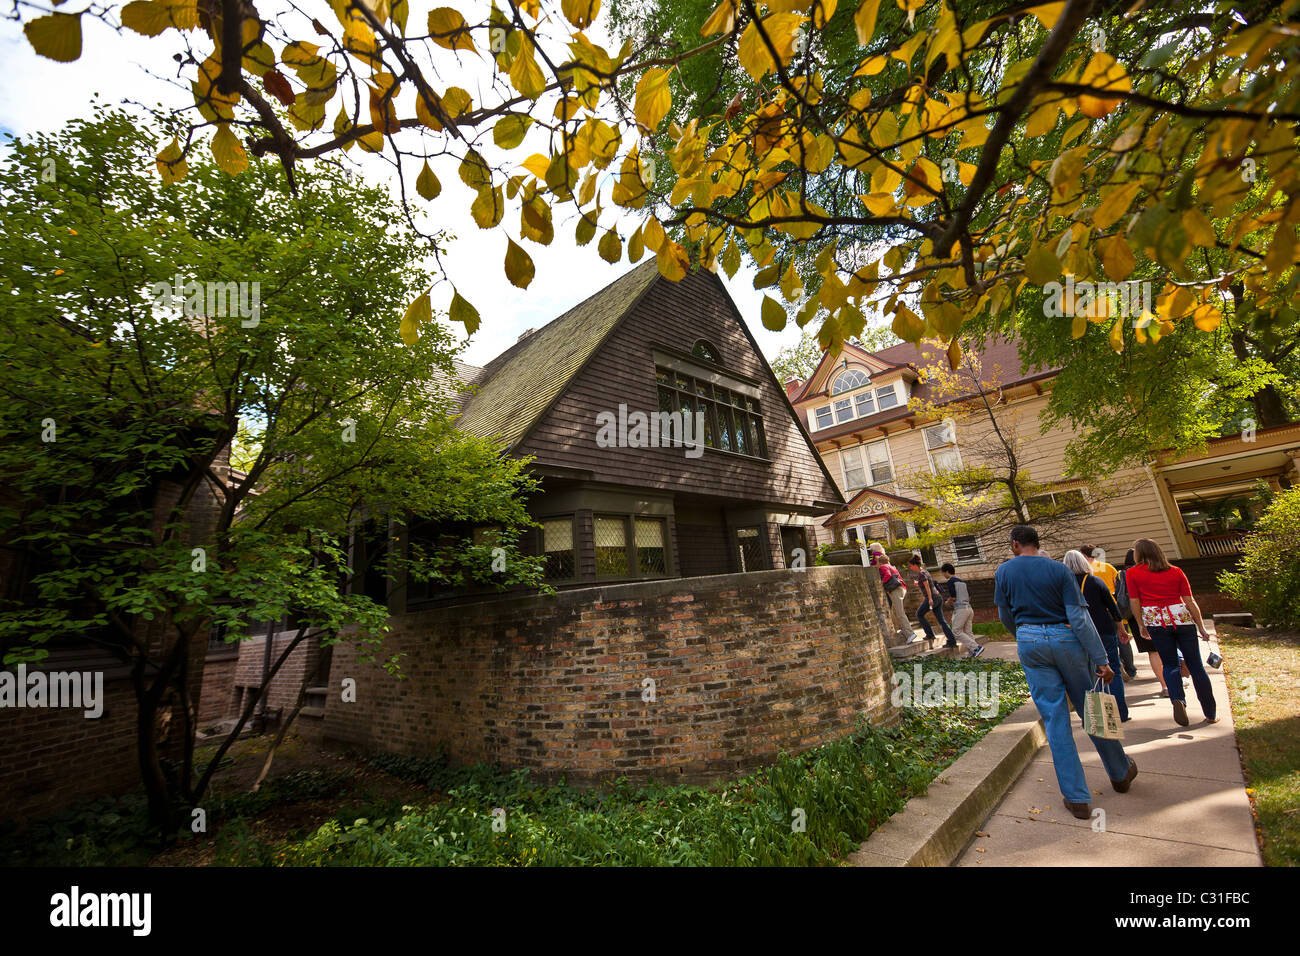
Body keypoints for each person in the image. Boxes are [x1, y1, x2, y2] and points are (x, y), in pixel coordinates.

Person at [995, 525, 1137, 819]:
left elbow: (1004, 615)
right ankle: (1120, 772)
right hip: (1066, 639)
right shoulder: (1060, 571)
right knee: (1092, 709)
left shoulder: (1004, 573)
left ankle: (1077, 797)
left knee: (1055, 719)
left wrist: (1022, 633)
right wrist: (1101, 660)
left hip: (1030, 641)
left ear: (1014, 544)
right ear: (1037, 542)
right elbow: (1079, 618)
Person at [1126, 538, 1219, 727]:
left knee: (1169, 664)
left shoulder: (1132, 573)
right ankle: (1210, 712)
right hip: (1180, 617)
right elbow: (1189, 600)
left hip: (1156, 619)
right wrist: (1200, 626)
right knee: (1196, 666)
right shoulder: (1175, 571)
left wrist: (1141, 623)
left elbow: (1135, 601)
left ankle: (1177, 698)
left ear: (1138, 554)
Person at [1063, 550, 1129, 721]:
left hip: (1079, 632)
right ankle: (1120, 712)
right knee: (1112, 669)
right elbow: (1112, 608)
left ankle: (1101, 715)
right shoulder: (1095, 581)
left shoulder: (1064, 586)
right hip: (1104, 630)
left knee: (1091, 674)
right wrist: (1121, 628)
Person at [1084, 543, 1138, 681]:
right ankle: (1130, 669)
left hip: (1096, 611)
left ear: (1084, 555)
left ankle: (1112, 666)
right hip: (1114, 607)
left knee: (1103, 641)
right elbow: (1119, 586)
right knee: (1123, 639)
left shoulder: (1085, 570)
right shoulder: (1108, 567)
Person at [1118, 548, 1167, 695]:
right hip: (1155, 612)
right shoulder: (1151, 570)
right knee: (1164, 649)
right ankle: (1171, 681)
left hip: (1135, 616)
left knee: (1152, 651)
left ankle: (1164, 684)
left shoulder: (1122, 574)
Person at [908, 554, 957, 648]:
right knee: (941, 620)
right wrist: (918, 584)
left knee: (919, 614)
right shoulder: (925, 572)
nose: (910, 568)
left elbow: (927, 587)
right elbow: (928, 584)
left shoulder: (921, 574)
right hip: (938, 597)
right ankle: (952, 640)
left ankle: (930, 634)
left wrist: (930, 599)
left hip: (933, 598)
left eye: (910, 566)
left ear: (914, 565)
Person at [869, 543, 913, 643]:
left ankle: (910, 633)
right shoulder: (890, 565)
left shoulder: (883, 566)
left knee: (900, 613)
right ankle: (904, 631)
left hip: (896, 589)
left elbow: (887, 575)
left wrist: (882, 583)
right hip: (901, 588)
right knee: (896, 611)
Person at [940, 562, 984, 658]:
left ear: (947, 571)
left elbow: (953, 597)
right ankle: (972, 653)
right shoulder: (962, 582)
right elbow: (970, 596)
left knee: (956, 631)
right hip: (969, 608)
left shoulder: (951, 581)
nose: (943, 575)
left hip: (961, 609)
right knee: (968, 632)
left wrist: (948, 602)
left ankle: (976, 647)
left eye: (943, 573)